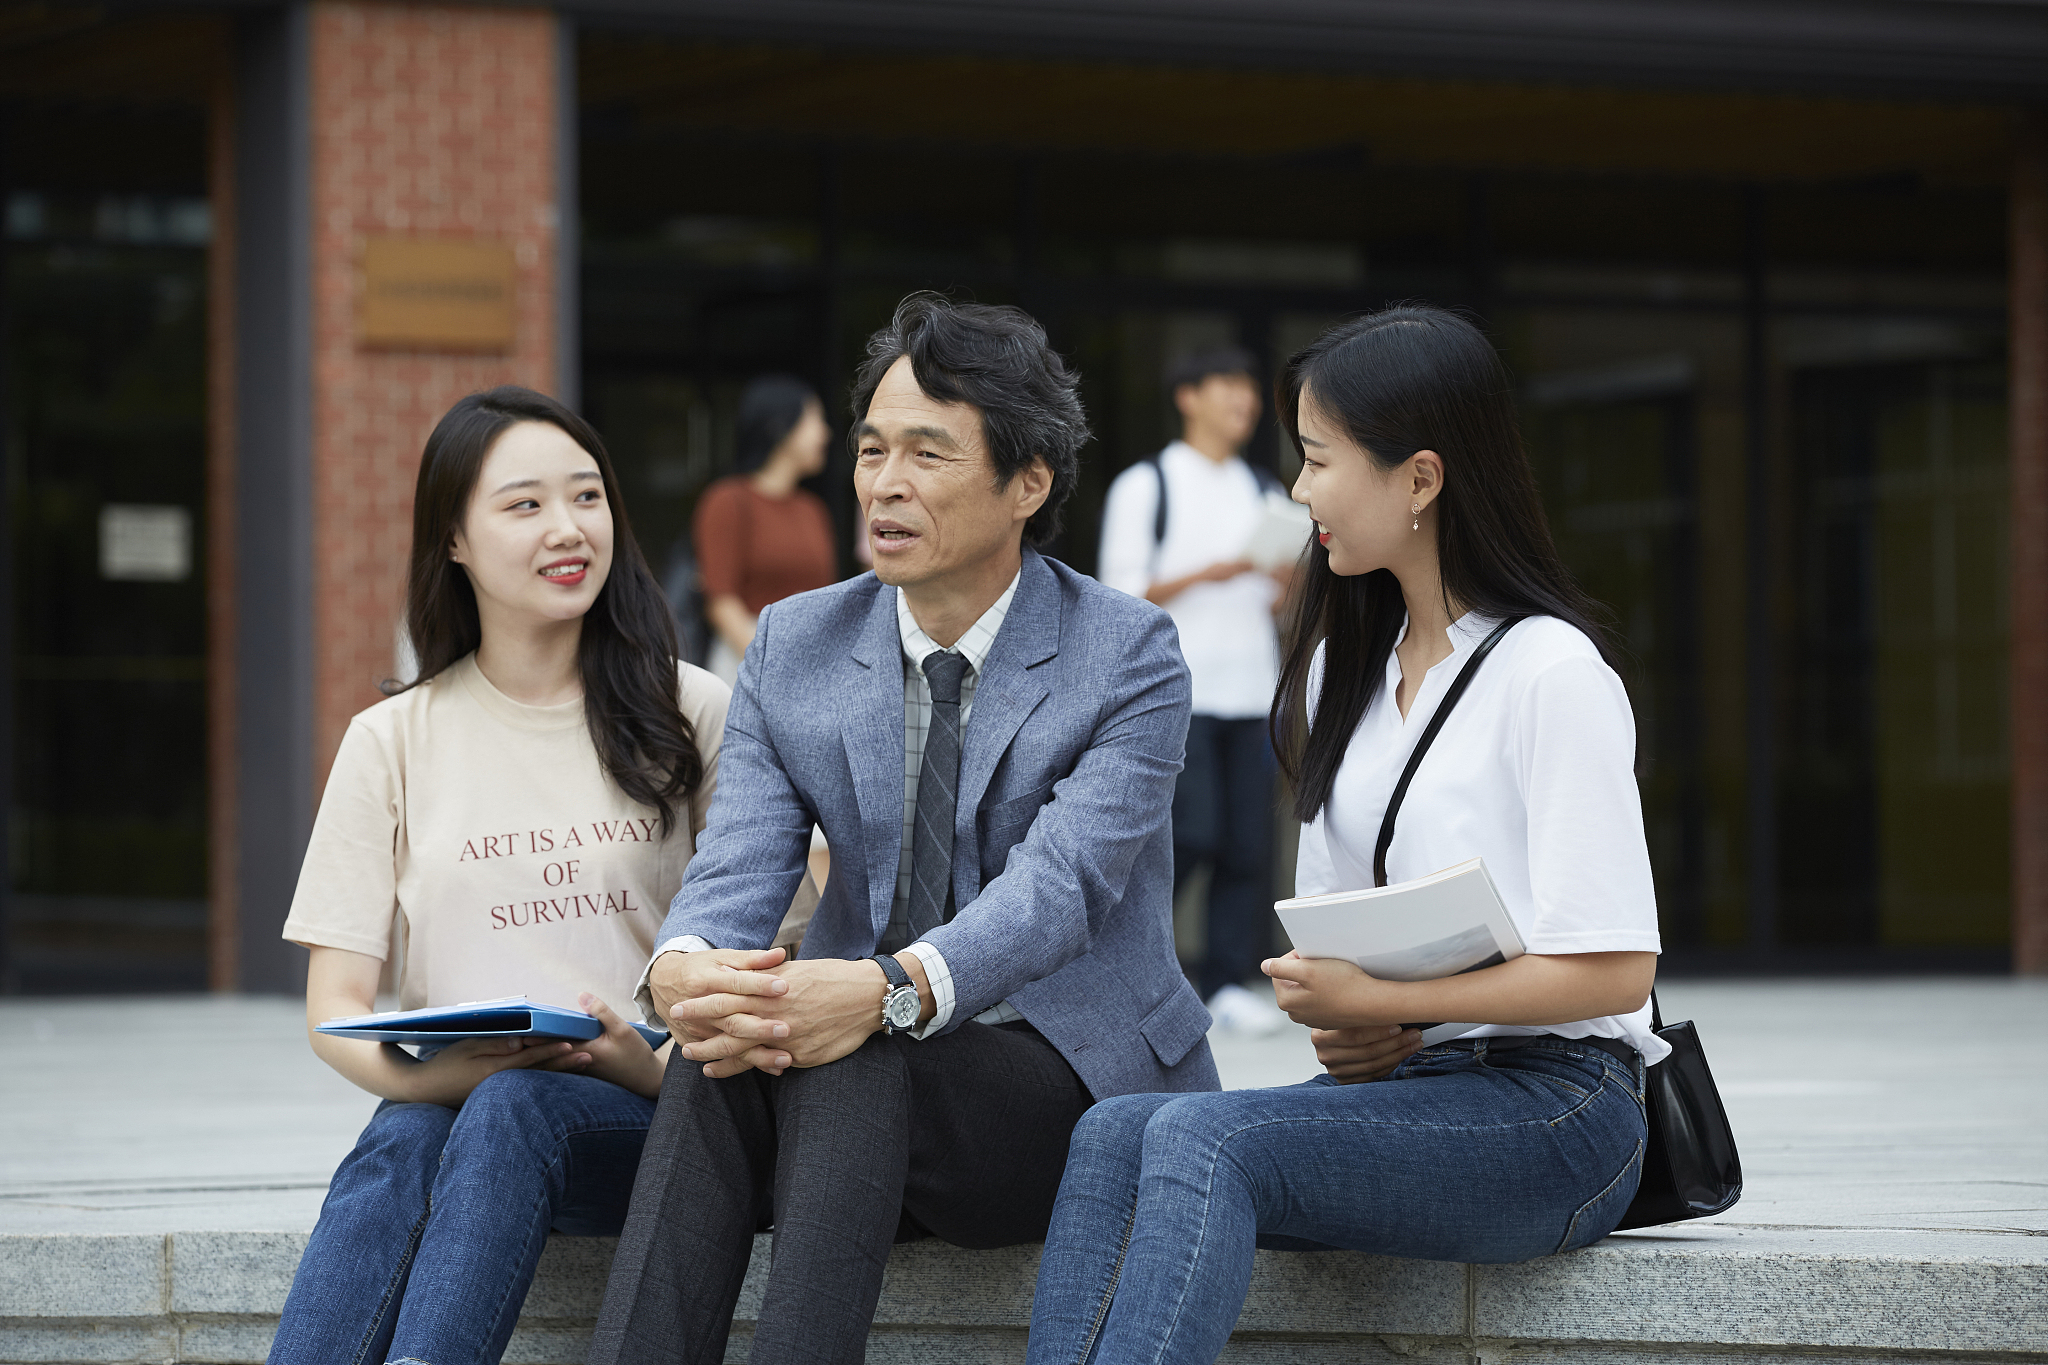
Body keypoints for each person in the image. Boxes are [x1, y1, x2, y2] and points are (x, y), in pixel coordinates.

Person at [1026, 305, 1664, 1365]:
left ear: (1420, 479)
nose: (1298, 490)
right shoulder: (1341, 672)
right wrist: (1352, 1022)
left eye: (1318, 460)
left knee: (1201, 1135)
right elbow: (1341, 942)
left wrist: (1382, 1002)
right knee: (1113, 1128)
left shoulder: (1549, 671)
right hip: (1418, 1085)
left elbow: (1615, 969)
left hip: (1562, 1107)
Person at [586, 294, 1218, 1365]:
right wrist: (687, 968)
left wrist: (888, 990)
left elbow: (1059, 889)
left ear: (1027, 483)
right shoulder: (796, 641)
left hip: (1066, 1079)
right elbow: (738, 860)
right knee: (719, 1052)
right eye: (872, 449)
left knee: (853, 1050)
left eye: (927, 453)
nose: (884, 482)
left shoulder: (1126, 653)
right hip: (851, 1105)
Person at [269, 386, 811, 1365]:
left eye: (587, 496)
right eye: (525, 505)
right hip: (460, 1106)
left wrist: (640, 1064)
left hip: (662, 1115)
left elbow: (777, 974)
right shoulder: (390, 740)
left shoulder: (696, 712)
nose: (568, 528)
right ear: (453, 540)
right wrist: (449, 1075)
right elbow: (333, 1011)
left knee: (509, 1108)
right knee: (408, 1135)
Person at [1098, 346, 1292, 1035]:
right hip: (1177, 692)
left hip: (1252, 690)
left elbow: (1275, 601)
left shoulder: (1264, 489)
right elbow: (1118, 595)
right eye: (1228, 385)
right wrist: (1213, 571)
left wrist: (1280, 581)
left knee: (1246, 846)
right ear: (1188, 396)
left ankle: (1228, 983)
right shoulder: (1147, 484)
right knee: (1190, 836)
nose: (1245, 400)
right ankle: (1132, 971)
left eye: (1249, 388)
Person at [694, 374, 838, 687]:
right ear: (781, 426)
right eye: (815, 419)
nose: (825, 433)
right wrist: (774, 666)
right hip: (747, 665)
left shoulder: (813, 510)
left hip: (812, 667)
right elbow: (721, 602)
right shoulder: (728, 500)